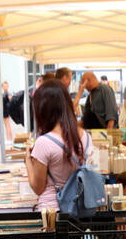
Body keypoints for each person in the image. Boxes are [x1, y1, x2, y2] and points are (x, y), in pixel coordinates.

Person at [25, 79, 92, 210]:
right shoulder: (86, 137)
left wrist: (28, 159)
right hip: (81, 208)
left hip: (53, 212)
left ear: (42, 109)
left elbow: (38, 188)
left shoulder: (44, 142)